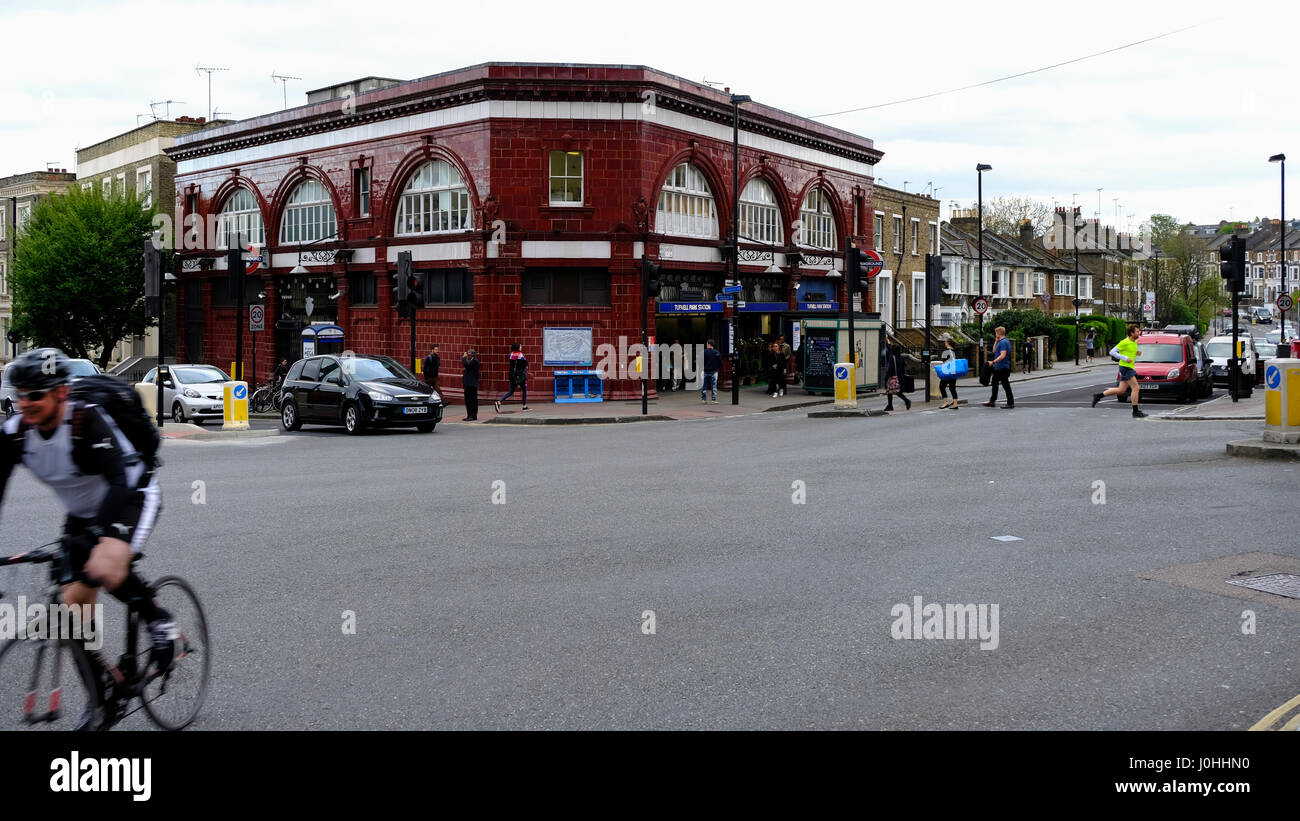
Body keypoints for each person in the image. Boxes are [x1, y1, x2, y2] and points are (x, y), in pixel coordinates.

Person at [0, 348, 178, 730]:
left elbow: (120, 479)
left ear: (61, 393)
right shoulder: (16, 434)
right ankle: (102, 699)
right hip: (82, 511)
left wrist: (101, 537)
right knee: (72, 611)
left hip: (132, 494)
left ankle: (159, 622)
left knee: (103, 564)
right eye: (20, 395)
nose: (25, 403)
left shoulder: (85, 422)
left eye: (35, 394)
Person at [1092, 323, 1146, 417]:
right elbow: (1112, 352)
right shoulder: (1124, 342)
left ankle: (1098, 396)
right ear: (1132, 333)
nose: (1139, 333)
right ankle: (1135, 411)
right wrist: (1125, 358)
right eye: (1137, 332)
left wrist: (1136, 353)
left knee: (1121, 390)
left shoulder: (1134, 342)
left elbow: (1129, 351)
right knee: (1136, 387)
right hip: (1126, 367)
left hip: (1128, 367)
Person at [982, 326, 1014, 408]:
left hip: (1003, 367)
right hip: (998, 367)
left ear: (999, 333)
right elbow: (994, 351)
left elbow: (1002, 355)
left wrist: (993, 362)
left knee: (1005, 385)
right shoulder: (1001, 341)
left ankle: (1010, 403)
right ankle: (992, 401)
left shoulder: (1004, 342)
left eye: (996, 333)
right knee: (994, 383)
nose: (995, 334)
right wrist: (996, 342)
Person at [494, 343, 529, 413]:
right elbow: (525, 365)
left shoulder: (511, 354)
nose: (521, 347)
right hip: (519, 376)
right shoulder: (520, 355)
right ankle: (524, 406)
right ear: (518, 347)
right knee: (524, 389)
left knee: (511, 391)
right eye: (520, 346)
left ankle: (499, 402)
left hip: (512, 375)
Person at [882, 341, 911, 411]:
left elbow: (890, 368)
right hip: (900, 377)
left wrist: (886, 377)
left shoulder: (892, 357)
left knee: (895, 391)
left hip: (893, 377)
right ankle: (890, 405)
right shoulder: (901, 357)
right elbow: (904, 368)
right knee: (891, 391)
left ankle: (906, 401)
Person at [938, 337, 959, 410]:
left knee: (941, 386)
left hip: (947, 372)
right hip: (954, 371)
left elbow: (944, 363)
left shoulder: (945, 351)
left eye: (945, 342)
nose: (944, 343)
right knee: (952, 388)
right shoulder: (954, 351)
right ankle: (955, 403)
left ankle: (945, 403)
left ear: (947, 343)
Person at [461, 348, 480, 421]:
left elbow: (466, 364)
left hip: (472, 384)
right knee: (467, 400)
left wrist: (463, 357)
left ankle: (473, 415)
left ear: (471, 356)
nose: (467, 357)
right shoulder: (471, 361)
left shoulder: (475, 361)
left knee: (473, 400)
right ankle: (469, 415)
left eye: (468, 355)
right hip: (467, 384)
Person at [702, 339, 721, 403]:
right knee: (714, 386)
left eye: (707, 344)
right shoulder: (717, 352)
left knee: (704, 385)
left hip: (705, 371)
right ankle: (713, 399)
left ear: (709, 344)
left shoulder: (704, 352)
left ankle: (704, 399)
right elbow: (720, 362)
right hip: (714, 371)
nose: (706, 345)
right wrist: (717, 368)